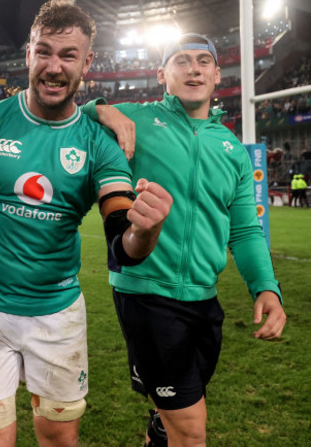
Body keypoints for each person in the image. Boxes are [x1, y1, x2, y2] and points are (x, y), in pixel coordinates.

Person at [0, 0, 172, 447]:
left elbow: (122, 244)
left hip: (57, 315)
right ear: (28, 54)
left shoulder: (99, 144)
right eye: (44, 51)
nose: (54, 66)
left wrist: (144, 231)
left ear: (87, 63)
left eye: (68, 55)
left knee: (59, 439)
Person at [83, 33, 287, 447]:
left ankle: (157, 432)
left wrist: (265, 286)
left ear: (216, 75)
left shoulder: (231, 149)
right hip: (147, 295)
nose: (193, 68)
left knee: (171, 416)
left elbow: (245, 229)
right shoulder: (136, 120)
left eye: (202, 61)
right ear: (162, 75)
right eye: (181, 61)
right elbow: (72, 115)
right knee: (192, 432)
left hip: (205, 300)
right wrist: (99, 109)